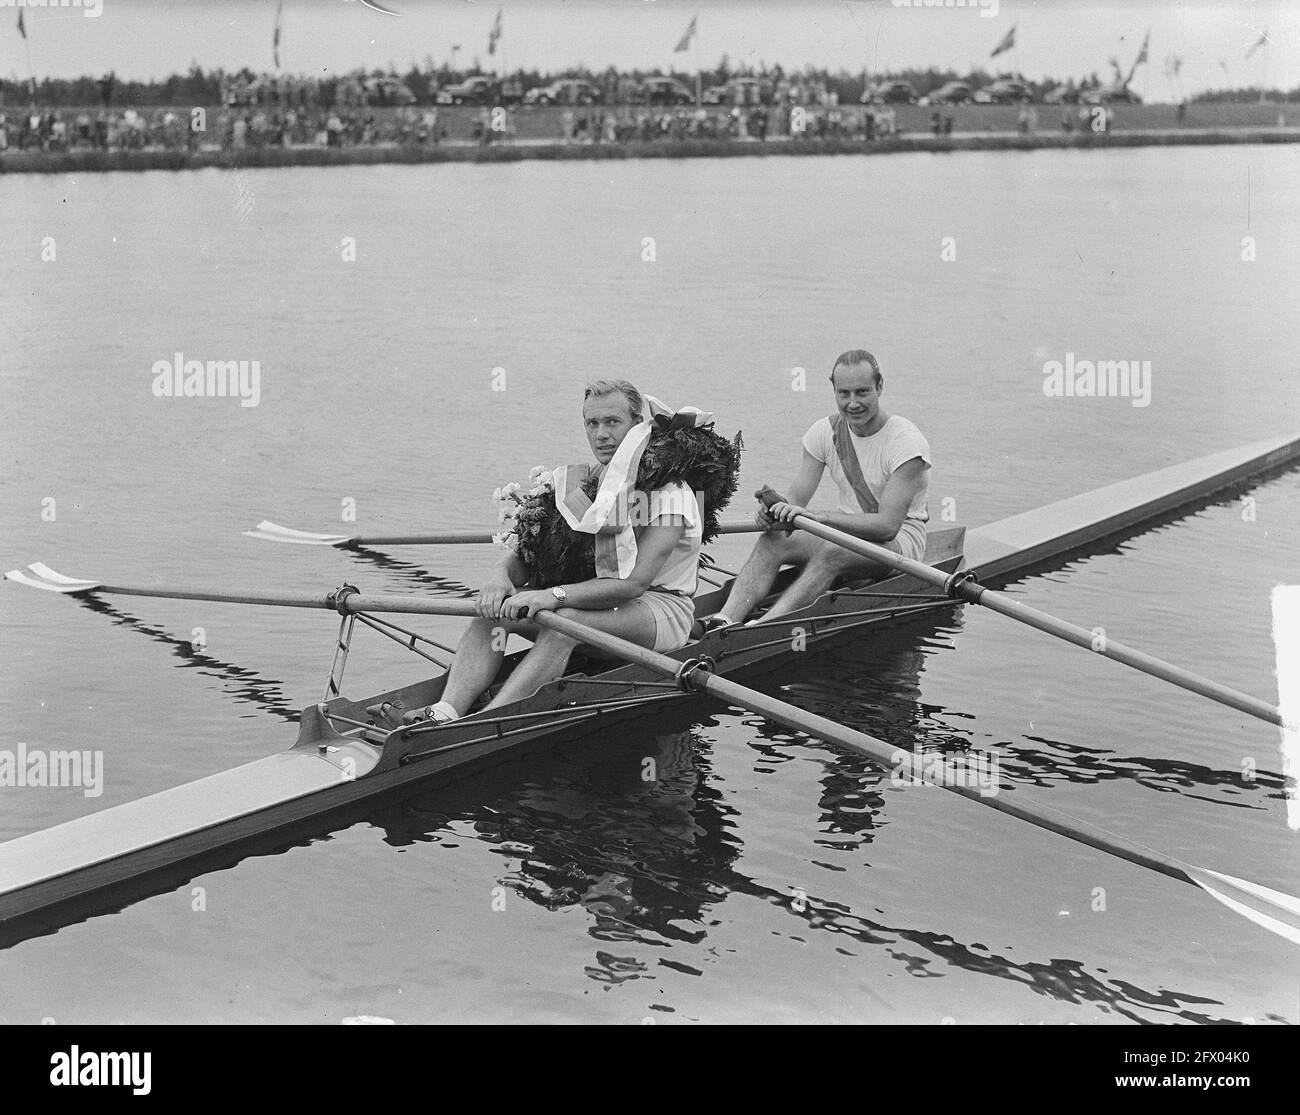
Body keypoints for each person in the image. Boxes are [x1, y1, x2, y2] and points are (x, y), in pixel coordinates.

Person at [374, 381, 705, 727]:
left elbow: (634, 584)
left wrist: (552, 595)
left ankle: (484, 724)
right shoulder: (588, 481)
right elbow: (536, 549)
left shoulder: (673, 492)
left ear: (638, 425)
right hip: (603, 604)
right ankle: (445, 712)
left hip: (661, 612)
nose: (601, 434)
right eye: (592, 424)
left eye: (613, 422)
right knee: (496, 613)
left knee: (565, 625)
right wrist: (499, 574)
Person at [705, 349, 930, 629]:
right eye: (844, 394)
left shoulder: (906, 442)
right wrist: (774, 514)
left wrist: (820, 518)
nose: (853, 403)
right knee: (773, 541)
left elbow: (887, 526)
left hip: (901, 543)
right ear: (833, 390)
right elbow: (796, 501)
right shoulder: (823, 433)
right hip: (846, 532)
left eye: (862, 392)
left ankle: (764, 628)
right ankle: (723, 620)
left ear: (880, 387)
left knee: (832, 553)